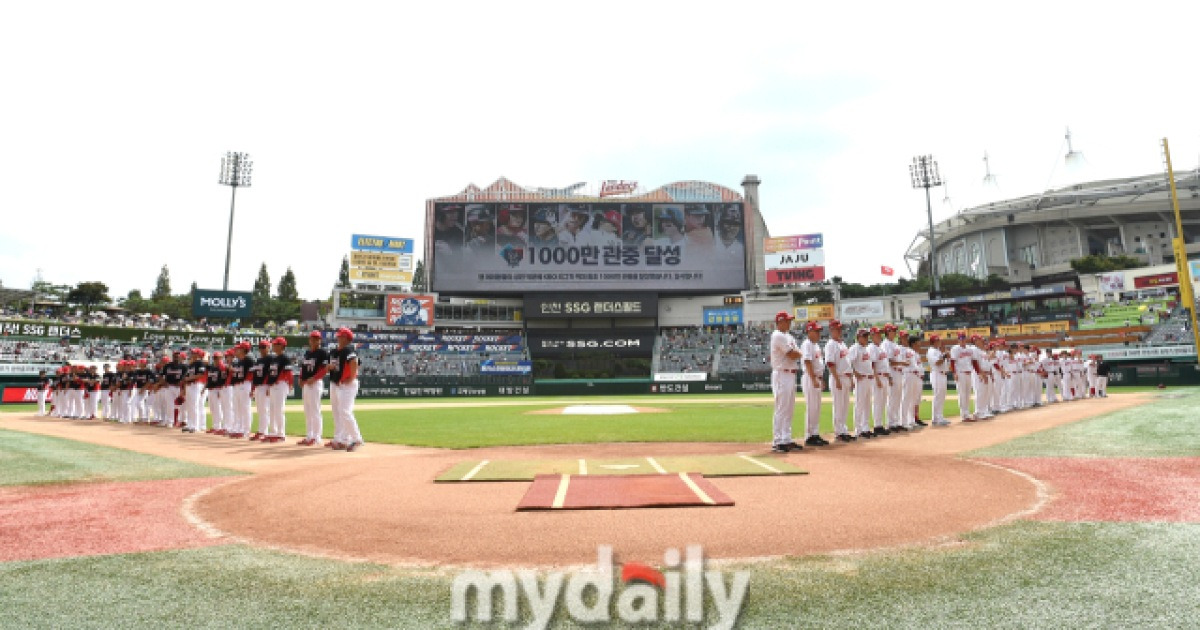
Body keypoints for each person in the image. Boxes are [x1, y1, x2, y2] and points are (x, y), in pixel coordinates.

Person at [768, 311, 803, 453]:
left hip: (790, 374)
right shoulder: (777, 335)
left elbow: (796, 353)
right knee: (781, 408)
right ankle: (778, 441)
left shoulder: (788, 336)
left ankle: (786, 439)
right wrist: (798, 353)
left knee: (789, 409)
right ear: (780, 322)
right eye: (787, 320)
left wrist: (797, 353)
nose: (789, 322)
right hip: (781, 374)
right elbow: (792, 354)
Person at [328, 327, 364, 452]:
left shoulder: (348, 350)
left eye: (341, 336)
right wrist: (329, 367)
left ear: (347, 338)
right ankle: (343, 439)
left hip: (348, 384)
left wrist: (352, 377)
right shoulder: (336, 351)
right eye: (338, 336)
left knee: (345, 411)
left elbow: (354, 361)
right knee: (339, 412)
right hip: (338, 383)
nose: (338, 338)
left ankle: (356, 438)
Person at [798, 320, 828, 447]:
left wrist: (821, 379)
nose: (818, 333)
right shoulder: (807, 344)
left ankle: (815, 433)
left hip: (817, 378)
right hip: (810, 378)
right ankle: (809, 435)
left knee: (816, 408)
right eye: (816, 331)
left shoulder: (815, 345)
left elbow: (818, 364)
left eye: (819, 331)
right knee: (811, 407)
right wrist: (814, 379)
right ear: (809, 332)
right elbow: (807, 362)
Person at [824, 320, 855, 442]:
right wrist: (836, 379)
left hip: (846, 377)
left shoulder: (842, 344)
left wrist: (851, 378)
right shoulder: (831, 344)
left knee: (845, 406)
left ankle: (844, 430)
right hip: (838, 377)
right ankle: (839, 432)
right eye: (837, 329)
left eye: (840, 329)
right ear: (831, 330)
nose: (840, 331)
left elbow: (847, 363)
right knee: (838, 406)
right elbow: (830, 363)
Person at [299, 331, 330, 446]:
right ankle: (309, 436)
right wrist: (301, 378)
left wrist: (315, 378)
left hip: (315, 383)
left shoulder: (322, 353)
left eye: (316, 339)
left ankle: (316, 437)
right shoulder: (307, 353)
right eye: (312, 338)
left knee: (315, 410)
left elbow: (325, 369)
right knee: (307, 411)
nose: (314, 341)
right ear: (309, 340)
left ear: (320, 340)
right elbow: (303, 367)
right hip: (306, 384)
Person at [846, 328, 877, 439]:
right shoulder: (854, 348)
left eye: (867, 336)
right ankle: (858, 430)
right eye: (864, 336)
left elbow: (870, 364)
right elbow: (849, 362)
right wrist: (855, 373)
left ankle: (865, 428)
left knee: (867, 405)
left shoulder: (866, 349)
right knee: (859, 405)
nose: (866, 338)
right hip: (861, 379)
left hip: (868, 378)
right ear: (858, 337)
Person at [263, 337, 293, 444]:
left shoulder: (285, 358)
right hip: (272, 386)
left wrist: (290, 384)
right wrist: (268, 386)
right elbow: (270, 374)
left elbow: (289, 373)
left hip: (281, 384)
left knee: (279, 410)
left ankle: (281, 434)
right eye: (274, 344)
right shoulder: (274, 359)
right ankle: (273, 432)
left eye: (276, 344)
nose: (274, 346)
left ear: (282, 346)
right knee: (272, 409)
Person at [869, 327, 893, 435]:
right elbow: (872, 364)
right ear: (872, 335)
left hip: (884, 377)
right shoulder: (872, 347)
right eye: (878, 334)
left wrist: (889, 377)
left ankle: (880, 424)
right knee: (878, 402)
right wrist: (876, 378)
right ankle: (877, 425)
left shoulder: (881, 348)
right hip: (878, 377)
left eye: (880, 334)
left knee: (883, 402)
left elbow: (885, 364)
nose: (880, 336)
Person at [181, 348, 208, 433]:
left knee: (194, 405)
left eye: (194, 353)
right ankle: (190, 424)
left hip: (196, 385)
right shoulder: (191, 364)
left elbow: (201, 374)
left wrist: (189, 378)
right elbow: (187, 377)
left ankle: (196, 426)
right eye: (192, 353)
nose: (192, 354)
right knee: (189, 406)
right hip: (190, 385)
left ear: (198, 355)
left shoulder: (200, 363)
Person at [249, 340, 270, 440]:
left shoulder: (270, 359)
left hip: (265, 385)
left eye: (264, 347)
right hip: (258, 386)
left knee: (264, 409)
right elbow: (254, 376)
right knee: (260, 410)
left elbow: (271, 374)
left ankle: (264, 431)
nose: (262, 349)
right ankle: (261, 430)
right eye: (260, 347)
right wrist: (252, 388)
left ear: (268, 348)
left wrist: (269, 386)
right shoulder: (258, 360)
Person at [926, 335, 950, 426]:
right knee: (938, 396)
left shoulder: (938, 351)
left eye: (939, 340)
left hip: (942, 374)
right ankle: (936, 418)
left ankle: (940, 416)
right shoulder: (931, 351)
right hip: (936, 374)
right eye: (937, 341)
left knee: (941, 396)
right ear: (933, 342)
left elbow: (944, 363)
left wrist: (946, 356)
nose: (939, 342)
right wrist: (944, 355)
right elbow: (937, 362)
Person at [903, 335, 925, 428]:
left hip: (916, 376)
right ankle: (906, 421)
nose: (919, 344)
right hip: (909, 375)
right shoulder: (907, 351)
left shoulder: (915, 353)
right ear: (913, 344)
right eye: (917, 343)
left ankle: (912, 420)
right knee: (908, 399)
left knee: (914, 400)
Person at [206, 351, 228, 435]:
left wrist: (220, 390)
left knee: (217, 408)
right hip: (211, 389)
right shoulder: (212, 368)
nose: (216, 359)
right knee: (212, 408)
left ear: (221, 358)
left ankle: (218, 426)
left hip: (217, 389)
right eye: (214, 358)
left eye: (217, 358)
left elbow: (223, 379)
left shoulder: (222, 367)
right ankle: (215, 426)